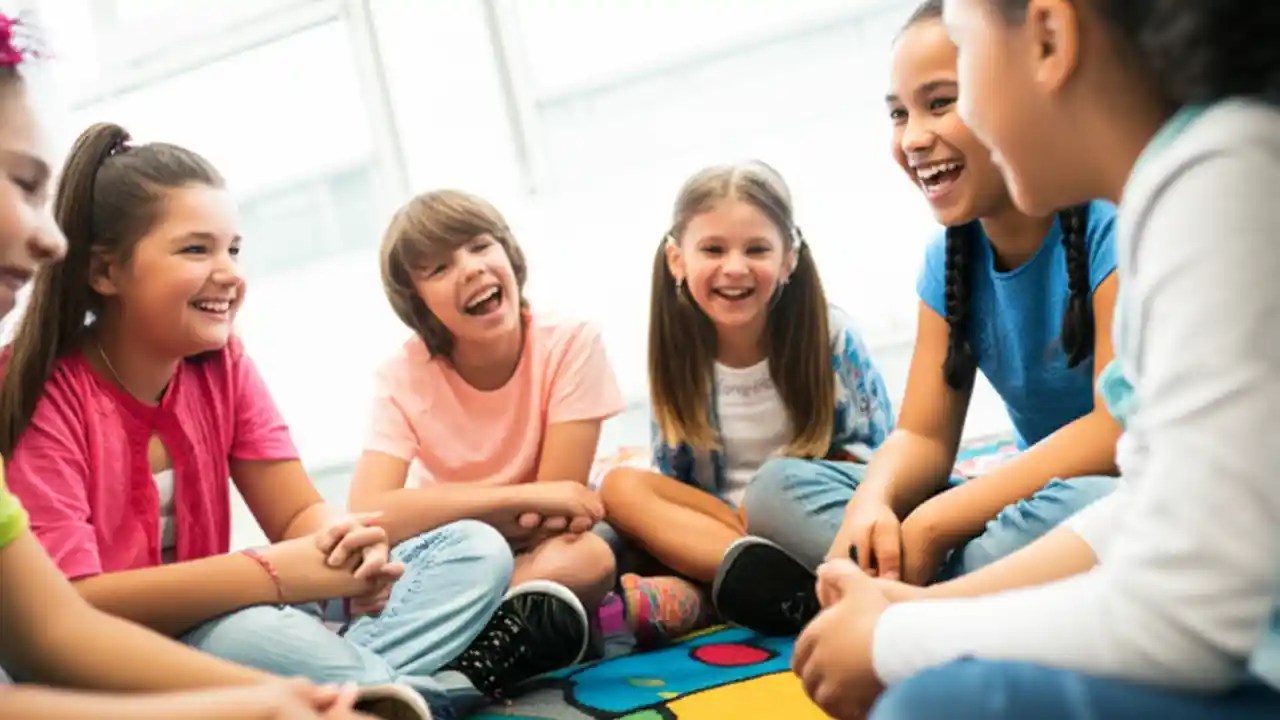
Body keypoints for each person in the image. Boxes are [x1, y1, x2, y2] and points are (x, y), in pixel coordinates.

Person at [792, 1, 1280, 717]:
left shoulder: (1224, 177)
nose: (915, 137)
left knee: (931, 704)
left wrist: (896, 636)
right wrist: (911, 605)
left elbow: (1187, 612)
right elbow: (1149, 508)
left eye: (961, 55)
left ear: (1049, 36)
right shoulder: (1192, 176)